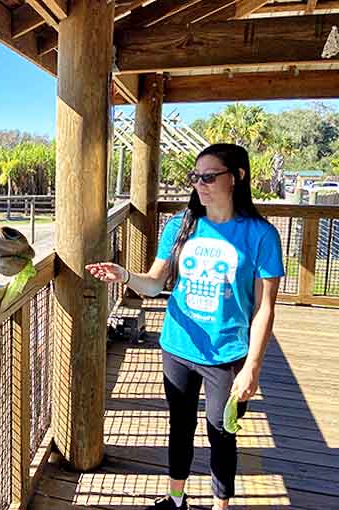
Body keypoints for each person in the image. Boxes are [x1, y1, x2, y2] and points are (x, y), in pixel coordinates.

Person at [86, 144, 284, 510]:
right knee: (179, 427)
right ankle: (176, 499)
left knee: (222, 433)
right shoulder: (181, 225)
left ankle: (219, 506)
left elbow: (264, 308)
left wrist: (252, 367)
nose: (200, 185)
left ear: (237, 177)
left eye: (209, 177)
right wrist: (125, 275)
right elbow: (155, 283)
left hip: (227, 354)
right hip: (177, 345)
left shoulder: (260, 236)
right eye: (195, 178)